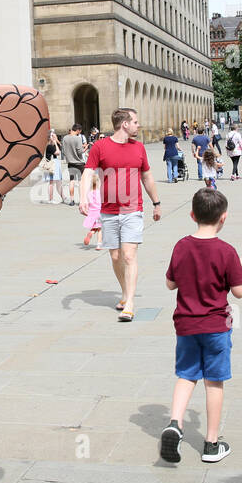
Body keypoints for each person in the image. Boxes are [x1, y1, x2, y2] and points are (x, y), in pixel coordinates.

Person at [159, 188, 242, 465]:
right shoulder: (227, 251)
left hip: (185, 324)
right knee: (214, 382)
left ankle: (175, 422)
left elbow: (170, 283)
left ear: (192, 215)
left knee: (186, 375)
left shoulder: (181, 246)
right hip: (216, 326)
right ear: (224, 218)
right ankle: (211, 443)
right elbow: (240, 291)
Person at [79, 108, 162, 322]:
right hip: (108, 211)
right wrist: (83, 197)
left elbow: (147, 177)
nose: (138, 125)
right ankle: (125, 293)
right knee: (115, 257)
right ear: (124, 124)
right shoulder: (100, 146)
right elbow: (88, 172)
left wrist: (156, 203)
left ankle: (130, 304)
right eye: (134, 121)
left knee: (128, 255)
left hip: (132, 210)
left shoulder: (139, 148)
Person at [61, 123, 89, 205]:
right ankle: (81, 201)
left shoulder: (65, 138)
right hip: (79, 163)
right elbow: (80, 152)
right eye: (79, 131)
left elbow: (64, 151)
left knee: (72, 181)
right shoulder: (78, 139)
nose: (79, 133)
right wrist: (86, 148)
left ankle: (72, 200)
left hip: (70, 162)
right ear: (78, 130)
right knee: (81, 182)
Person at [80, 172, 104, 250]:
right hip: (99, 212)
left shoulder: (89, 193)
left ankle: (91, 232)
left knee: (95, 226)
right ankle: (99, 245)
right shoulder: (100, 193)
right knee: (100, 229)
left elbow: (88, 203)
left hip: (92, 213)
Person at [44, 129, 64, 203]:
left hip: (54, 164)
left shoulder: (51, 145)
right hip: (52, 165)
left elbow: (60, 148)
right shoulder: (50, 146)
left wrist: (56, 141)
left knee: (58, 182)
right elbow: (58, 152)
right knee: (51, 182)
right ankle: (50, 199)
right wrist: (55, 142)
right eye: (52, 136)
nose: (54, 137)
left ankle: (63, 197)